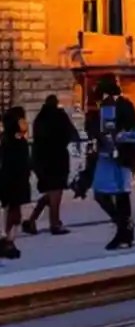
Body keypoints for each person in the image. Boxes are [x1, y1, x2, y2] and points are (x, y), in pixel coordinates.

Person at [92, 76, 135, 250]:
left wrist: (118, 138)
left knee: (119, 194)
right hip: (113, 155)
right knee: (112, 194)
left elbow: (134, 133)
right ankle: (124, 229)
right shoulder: (110, 106)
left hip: (120, 157)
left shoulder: (122, 106)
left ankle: (124, 231)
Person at [23, 94, 80, 236]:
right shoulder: (59, 117)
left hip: (41, 159)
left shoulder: (39, 119)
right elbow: (71, 133)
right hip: (57, 158)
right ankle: (54, 223)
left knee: (50, 192)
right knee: (56, 192)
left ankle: (31, 220)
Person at [0, 106, 31, 258]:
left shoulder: (8, 140)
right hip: (15, 180)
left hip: (11, 180)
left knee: (12, 210)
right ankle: (7, 239)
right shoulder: (15, 141)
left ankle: (7, 238)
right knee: (14, 211)